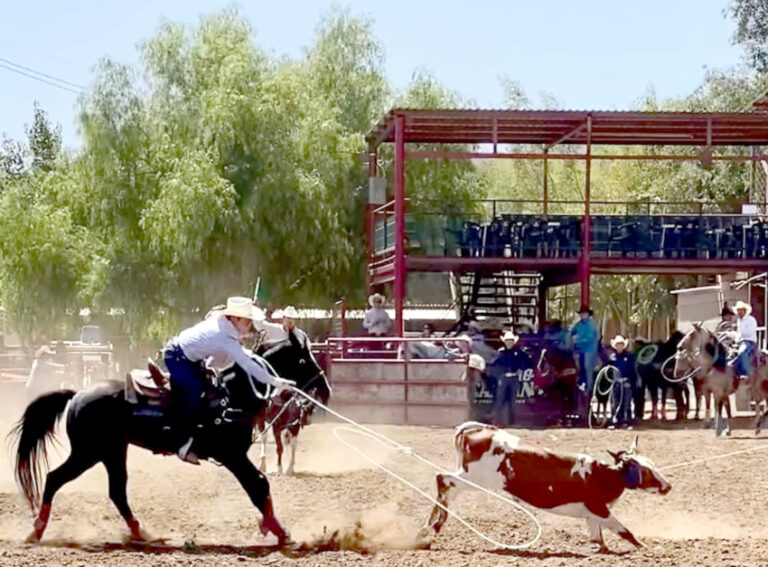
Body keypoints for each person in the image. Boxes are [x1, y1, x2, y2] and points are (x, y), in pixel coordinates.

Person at [164, 296, 295, 464]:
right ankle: (182, 444)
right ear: (236, 319)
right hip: (178, 357)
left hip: (187, 357)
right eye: (248, 321)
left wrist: (239, 354)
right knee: (195, 393)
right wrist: (274, 381)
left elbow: (219, 360)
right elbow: (246, 364)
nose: (250, 326)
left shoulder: (223, 327)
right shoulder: (224, 335)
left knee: (210, 391)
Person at [487, 330, 532, 426]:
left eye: (511, 341)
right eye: (507, 341)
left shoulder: (519, 352)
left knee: (513, 401)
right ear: (505, 342)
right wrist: (499, 374)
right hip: (503, 378)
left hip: (514, 378)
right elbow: (494, 364)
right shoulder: (501, 352)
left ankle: (512, 422)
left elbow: (527, 361)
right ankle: (497, 421)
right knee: (500, 400)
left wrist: (521, 369)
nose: (509, 343)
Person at [571, 304, 599, 419]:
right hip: (581, 350)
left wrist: (577, 340)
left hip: (589, 350)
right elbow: (572, 331)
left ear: (588, 314)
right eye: (581, 314)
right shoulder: (579, 325)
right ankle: (579, 384)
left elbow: (591, 339)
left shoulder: (592, 325)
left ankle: (589, 386)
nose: (583, 315)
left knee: (587, 366)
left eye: (584, 314)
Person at [608, 335, 636, 428]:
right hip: (615, 383)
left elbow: (632, 370)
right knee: (616, 402)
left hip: (626, 382)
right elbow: (608, 371)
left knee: (626, 402)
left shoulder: (629, 356)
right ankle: (616, 420)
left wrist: (631, 381)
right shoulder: (612, 358)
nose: (619, 346)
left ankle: (627, 420)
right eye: (618, 344)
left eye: (621, 344)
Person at [734, 300, 758, 380]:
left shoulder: (751, 320)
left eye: (740, 310)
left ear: (744, 310)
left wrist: (738, 335)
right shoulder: (739, 321)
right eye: (738, 310)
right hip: (741, 342)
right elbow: (738, 334)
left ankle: (745, 373)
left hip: (749, 342)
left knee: (742, 351)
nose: (739, 312)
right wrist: (735, 338)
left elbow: (749, 332)